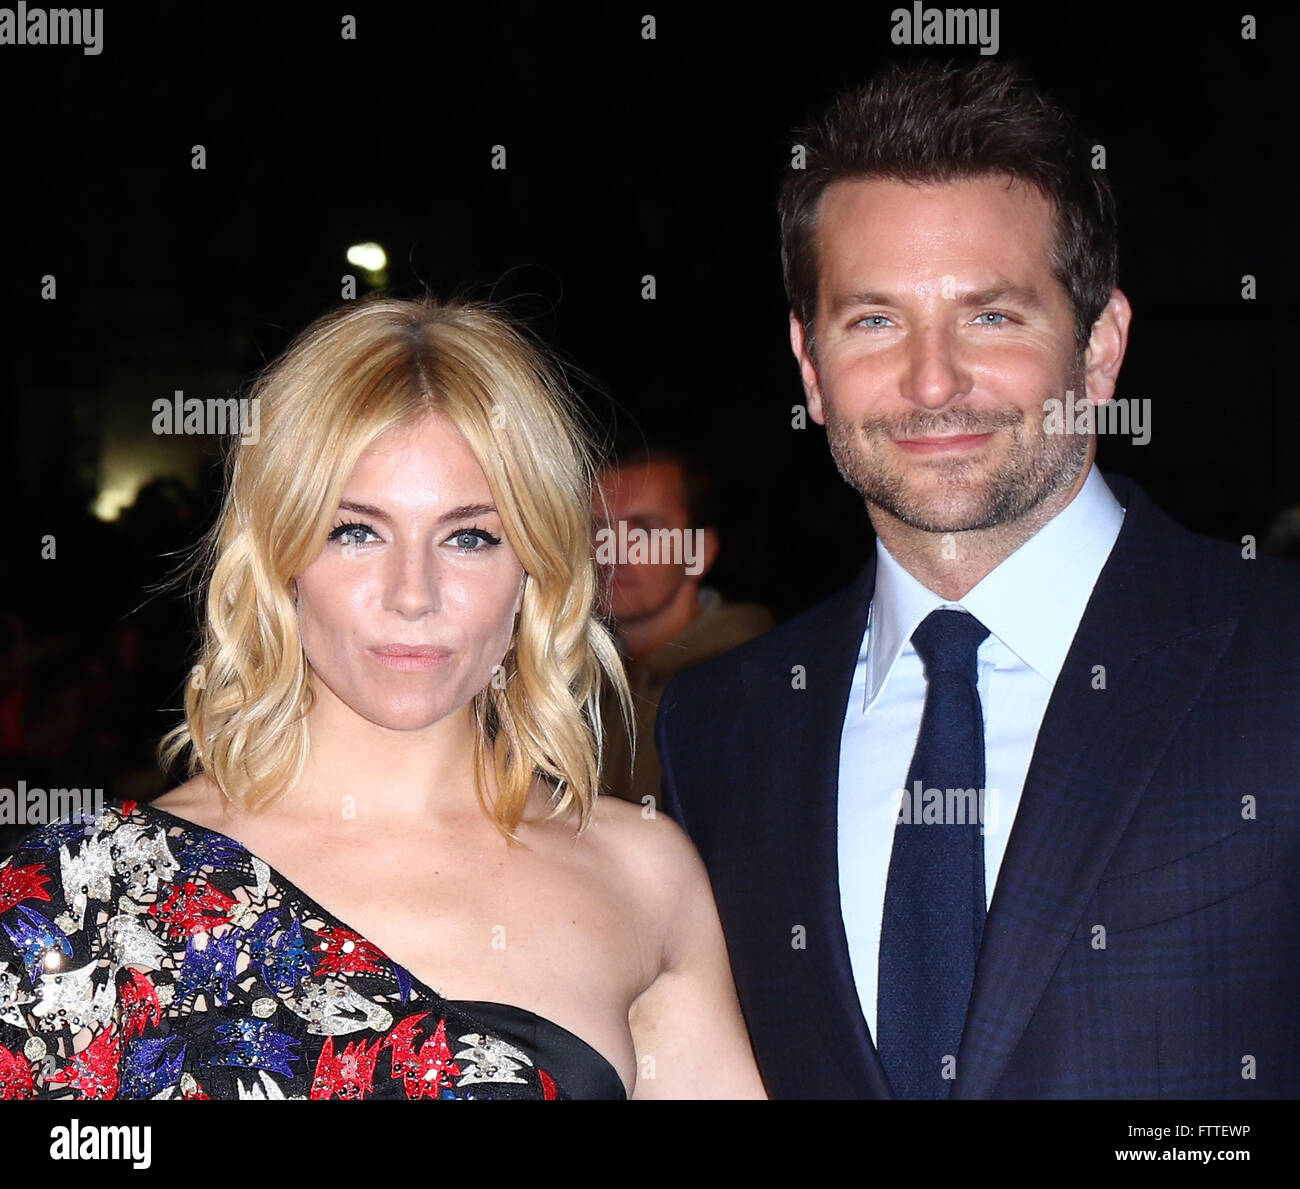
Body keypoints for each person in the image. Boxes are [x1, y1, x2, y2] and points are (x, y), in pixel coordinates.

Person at [656, 61, 1300, 1098]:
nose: (930, 381)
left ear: (1098, 349)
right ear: (809, 367)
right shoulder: (720, 726)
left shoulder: (1278, 664)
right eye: (874, 321)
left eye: (990, 316)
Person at [0, 297, 766, 1101]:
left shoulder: (643, 875)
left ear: (533, 568)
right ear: (281, 555)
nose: (413, 593)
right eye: (356, 531)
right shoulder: (83, 892)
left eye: (470, 536)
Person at [593, 443, 773, 809]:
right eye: (596, 528)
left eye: (644, 531)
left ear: (698, 553)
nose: (611, 550)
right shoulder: (568, 682)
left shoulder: (752, 689)